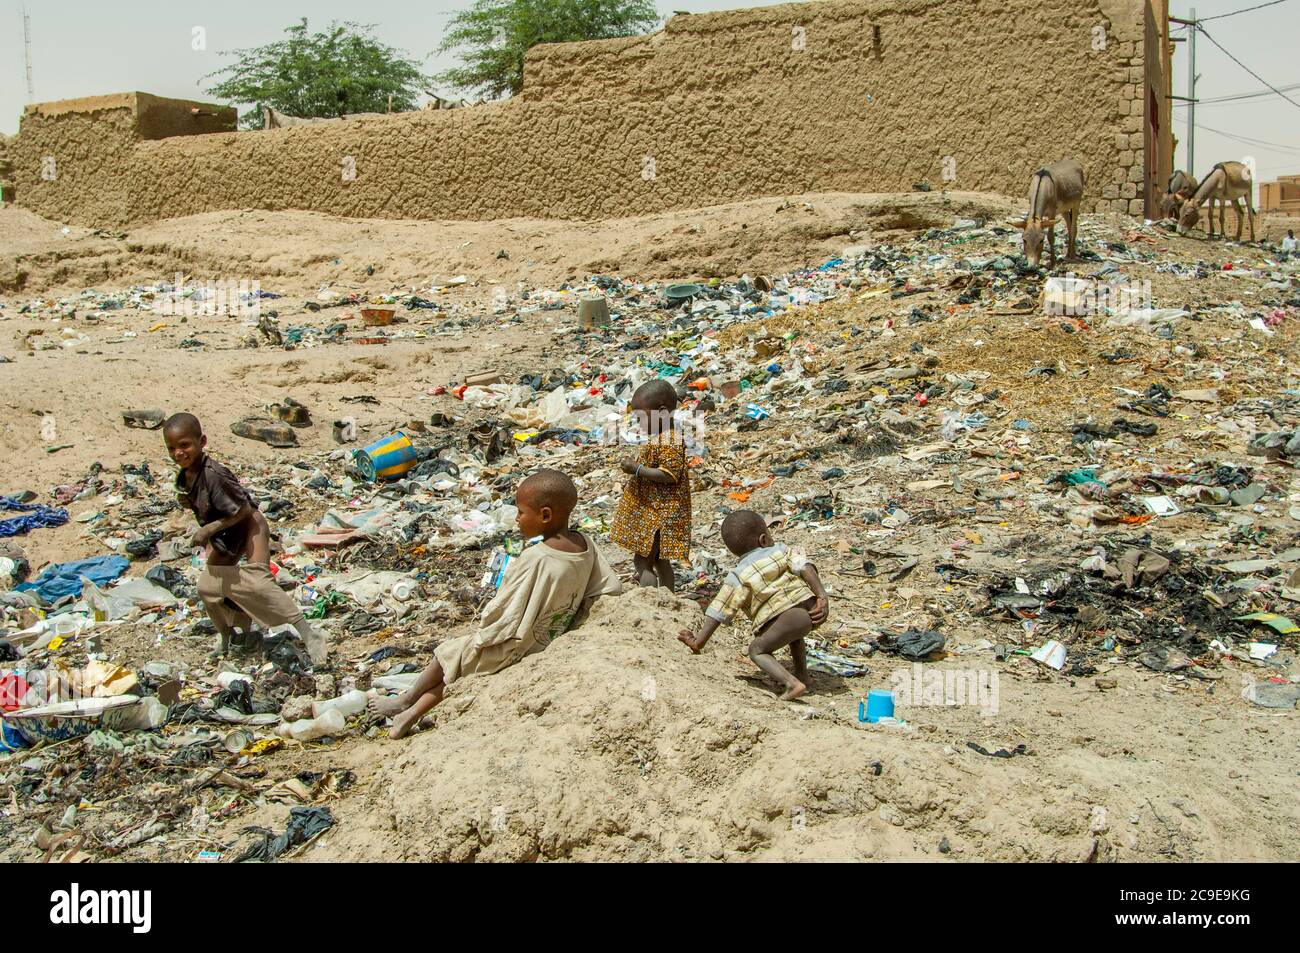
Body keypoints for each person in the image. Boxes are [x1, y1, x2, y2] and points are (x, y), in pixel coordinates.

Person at [369, 469, 620, 739]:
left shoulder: (536, 557)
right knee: (463, 666)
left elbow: (503, 611)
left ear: (545, 515)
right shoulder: (585, 543)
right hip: (548, 637)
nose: (517, 519)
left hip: (518, 644)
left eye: (521, 512)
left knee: (451, 653)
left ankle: (405, 701)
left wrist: (484, 631)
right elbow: (608, 586)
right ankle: (408, 715)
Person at [164, 413, 329, 668]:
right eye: (172, 448)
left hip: (249, 526)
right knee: (209, 588)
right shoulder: (187, 474)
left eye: (185, 445)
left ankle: (309, 634)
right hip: (227, 535)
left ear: (202, 441)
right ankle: (233, 634)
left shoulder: (214, 474)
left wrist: (207, 530)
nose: (179, 453)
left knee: (259, 583)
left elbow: (243, 509)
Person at [678, 510, 829, 701]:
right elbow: (805, 566)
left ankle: (792, 684)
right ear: (764, 539)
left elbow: (719, 610)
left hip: (786, 618)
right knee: (794, 636)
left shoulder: (738, 576)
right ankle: (802, 674)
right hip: (809, 609)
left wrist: (698, 642)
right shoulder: (781, 550)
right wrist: (821, 596)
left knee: (757, 650)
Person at [609, 379, 692, 590]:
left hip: (659, 514)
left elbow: (670, 474)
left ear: (662, 413)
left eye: (640, 417)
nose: (638, 423)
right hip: (658, 511)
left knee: (642, 561)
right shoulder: (663, 438)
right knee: (659, 560)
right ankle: (668, 598)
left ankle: (652, 600)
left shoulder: (670, 440)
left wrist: (636, 469)